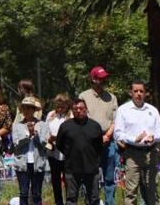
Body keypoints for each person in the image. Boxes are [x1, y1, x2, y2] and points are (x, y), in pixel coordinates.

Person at [113, 79, 160, 205]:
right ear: (130, 93)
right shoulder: (123, 110)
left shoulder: (152, 110)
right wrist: (133, 139)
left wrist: (155, 137)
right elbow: (118, 133)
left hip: (151, 152)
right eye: (135, 91)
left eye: (141, 91)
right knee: (131, 191)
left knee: (151, 189)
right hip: (132, 153)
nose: (138, 94)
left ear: (145, 93)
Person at [78, 66, 118, 205]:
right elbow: (81, 119)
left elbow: (115, 119)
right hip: (89, 142)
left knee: (109, 178)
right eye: (101, 78)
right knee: (89, 177)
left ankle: (109, 202)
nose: (104, 80)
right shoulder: (83, 96)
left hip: (109, 141)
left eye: (105, 78)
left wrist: (107, 135)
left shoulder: (112, 97)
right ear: (93, 79)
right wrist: (96, 137)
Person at [56, 99, 103, 205]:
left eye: (81, 108)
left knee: (93, 199)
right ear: (72, 111)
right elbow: (59, 144)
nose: (78, 110)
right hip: (71, 168)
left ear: (86, 109)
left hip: (91, 168)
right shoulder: (65, 126)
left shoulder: (95, 126)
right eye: (75, 109)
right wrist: (70, 154)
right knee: (71, 199)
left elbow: (99, 146)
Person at [12, 97, 49, 205]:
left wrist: (35, 134)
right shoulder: (17, 125)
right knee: (23, 193)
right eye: (24, 108)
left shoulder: (42, 125)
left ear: (34, 110)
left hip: (38, 163)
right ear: (22, 110)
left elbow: (45, 144)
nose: (27, 110)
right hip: (22, 163)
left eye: (30, 108)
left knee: (37, 193)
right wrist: (28, 135)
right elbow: (16, 144)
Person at [46, 93, 72, 205]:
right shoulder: (50, 115)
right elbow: (46, 131)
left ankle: (70, 202)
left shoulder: (71, 116)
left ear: (67, 105)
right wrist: (50, 139)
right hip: (53, 152)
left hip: (67, 154)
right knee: (55, 181)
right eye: (57, 106)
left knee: (68, 181)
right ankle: (58, 202)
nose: (59, 109)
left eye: (62, 106)